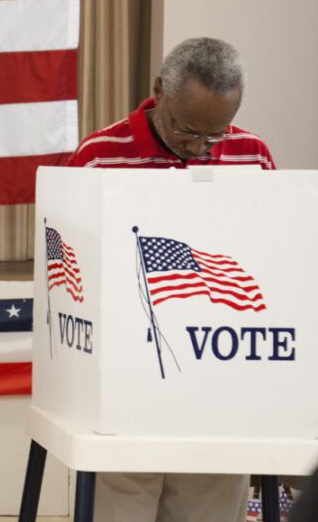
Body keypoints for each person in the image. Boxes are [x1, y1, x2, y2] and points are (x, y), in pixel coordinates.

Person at [68, 37, 274, 522]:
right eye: (186, 131)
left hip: (218, 382)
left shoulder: (252, 154)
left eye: (215, 134)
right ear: (160, 90)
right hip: (127, 385)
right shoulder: (99, 155)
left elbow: (268, 262)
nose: (201, 148)